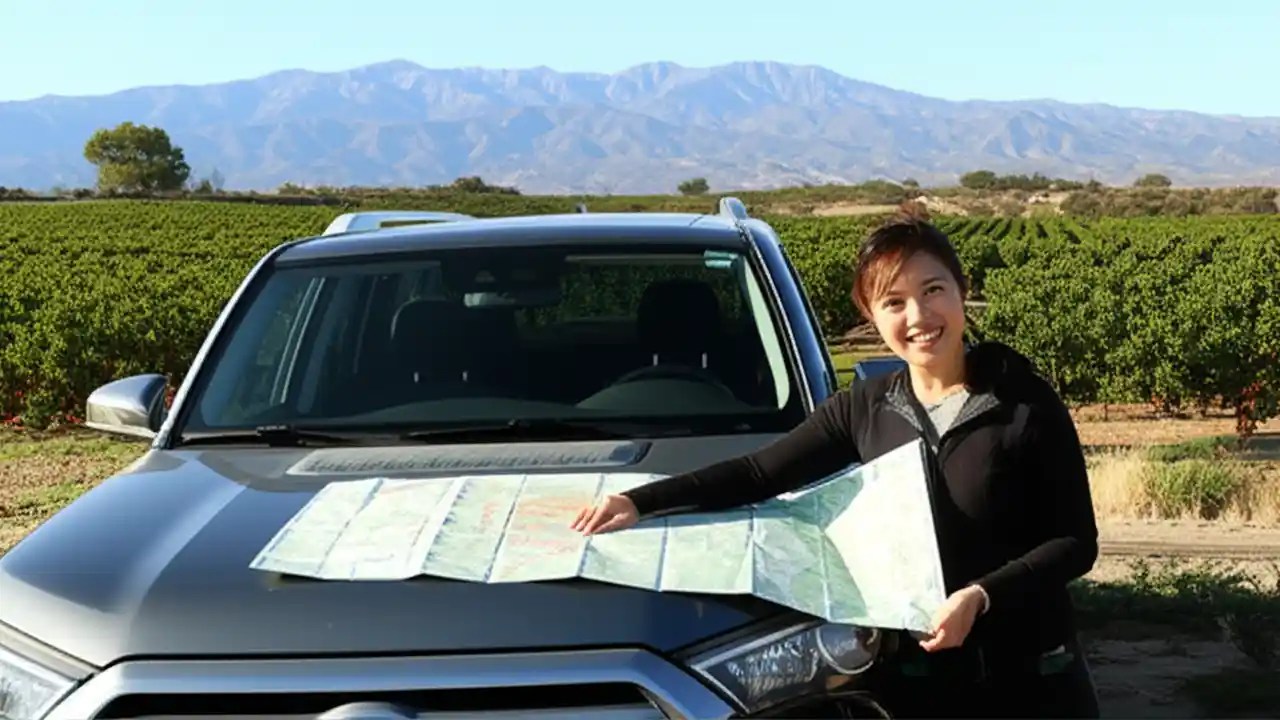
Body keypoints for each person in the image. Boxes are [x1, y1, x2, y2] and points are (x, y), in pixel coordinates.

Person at [569, 210, 1102, 718]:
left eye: (933, 290)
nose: (918, 317)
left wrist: (980, 597)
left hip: (1029, 679)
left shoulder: (1023, 403)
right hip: (918, 683)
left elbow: (1075, 541)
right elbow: (759, 474)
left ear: (962, 290)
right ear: (871, 316)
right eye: (894, 302)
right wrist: (641, 502)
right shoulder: (866, 408)